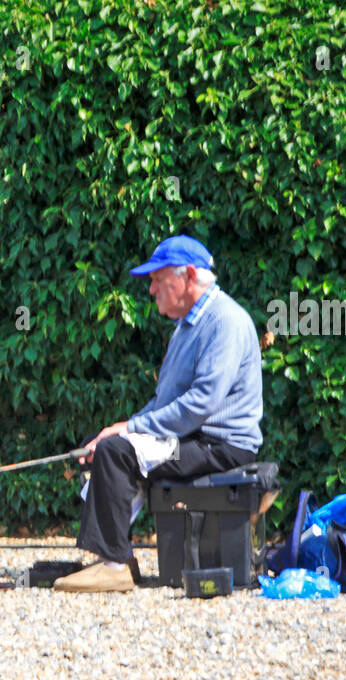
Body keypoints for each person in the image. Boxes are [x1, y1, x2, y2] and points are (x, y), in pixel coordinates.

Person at [55, 235, 263, 593]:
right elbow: (165, 402)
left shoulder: (224, 321)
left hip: (221, 445)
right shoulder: (186, 327)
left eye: (157, 279)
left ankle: (113, 567)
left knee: (116, 452)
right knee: (101, 445)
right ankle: (117, 556)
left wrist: (130, 429)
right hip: (194, 437)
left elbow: (202, 403)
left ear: (189, 276)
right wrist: (121, 428)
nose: (151, 289)